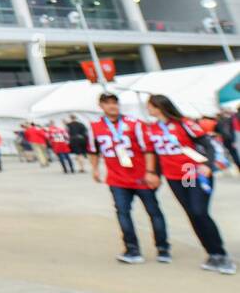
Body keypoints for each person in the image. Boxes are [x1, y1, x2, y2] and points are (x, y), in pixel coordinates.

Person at [144, 94, 236, 274]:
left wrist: (208, 165)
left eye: (150, 106)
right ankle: (211, 254)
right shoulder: (151, 129)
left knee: (199, 211)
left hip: (192, 172)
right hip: (173, 177)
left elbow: (207, 143)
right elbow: (154, 154)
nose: (148, 109)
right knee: (192, 214)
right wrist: (154, 174)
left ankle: (221, 254)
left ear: (159, 107)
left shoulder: (184, 123)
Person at [89, 92, 168, 265]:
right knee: (123, 213)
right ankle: (132, 249)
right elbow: (94, 150)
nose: (112, 106)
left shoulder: (134, 124)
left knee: (153, 211)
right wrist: (95, 169)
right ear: (101, 106)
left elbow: (148, 149)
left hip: (140, 176)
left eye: (114, 102)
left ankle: (163, 247)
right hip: (117, 179)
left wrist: (150, 171)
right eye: (107, 103)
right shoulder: (95, 127)